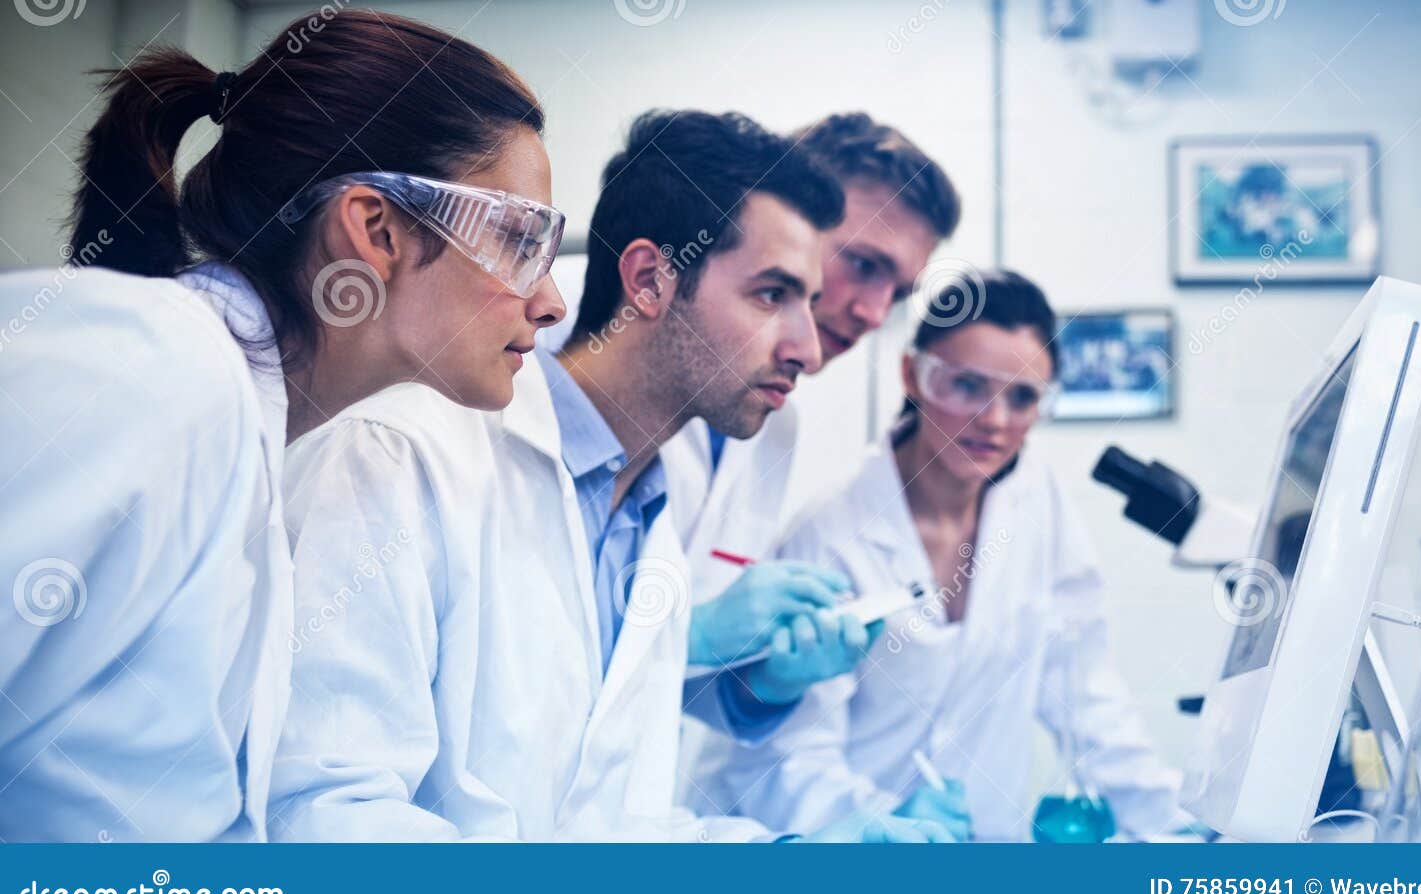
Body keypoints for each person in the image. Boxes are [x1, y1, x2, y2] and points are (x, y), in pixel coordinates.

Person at [269, 110, 953, 843]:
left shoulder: (645, 516)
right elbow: (328, 815)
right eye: (772, 294)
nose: (809, 349)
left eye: (808, 303)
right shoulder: (400, 454)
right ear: (650, 279)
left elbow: (607, 821)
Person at [0, 10, 565, 842]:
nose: (550, 300)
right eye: (522, 240)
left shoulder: (251, 443)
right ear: (375, 230)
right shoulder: (156, 370)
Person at [702, 270, 1186, 842]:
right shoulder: (830, 533)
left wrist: (1175, 828)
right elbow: (786, 756)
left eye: (1023, 397)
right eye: (967, 386)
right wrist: (881, 826)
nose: (996, 420)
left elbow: (1087, 693)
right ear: (914, 375)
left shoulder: (1039, 504)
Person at [670, 113, 959, 803]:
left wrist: (764, 683)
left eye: (899, 291)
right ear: (791, 212)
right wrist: (690, 633)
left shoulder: (770, 423)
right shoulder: (549, 355)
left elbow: (679, 688)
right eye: (864, 264)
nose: (873, 311)